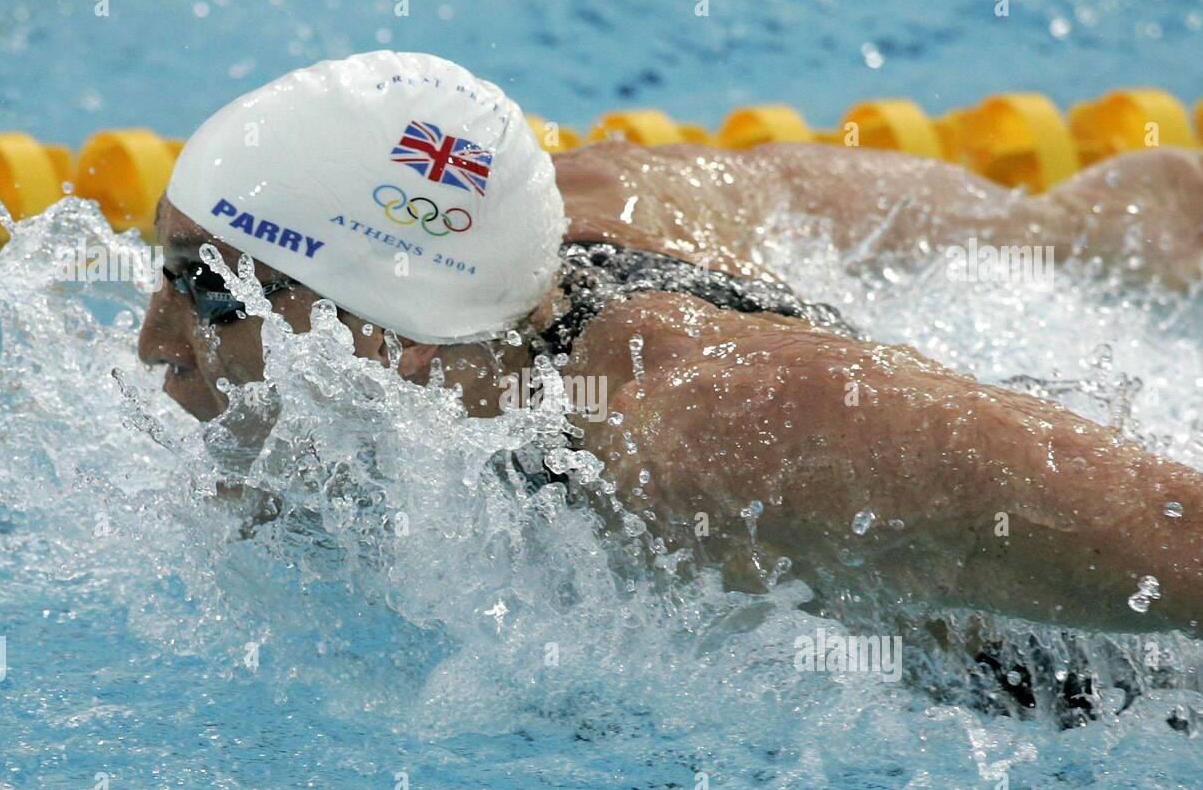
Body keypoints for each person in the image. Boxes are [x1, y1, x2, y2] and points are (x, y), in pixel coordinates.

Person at [139, 51, 1203, 632]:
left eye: (209, 291)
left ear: (394, 333)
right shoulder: (571, 209)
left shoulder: (732, 433)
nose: (152, 345)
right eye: (164, 269)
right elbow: (785, 190)